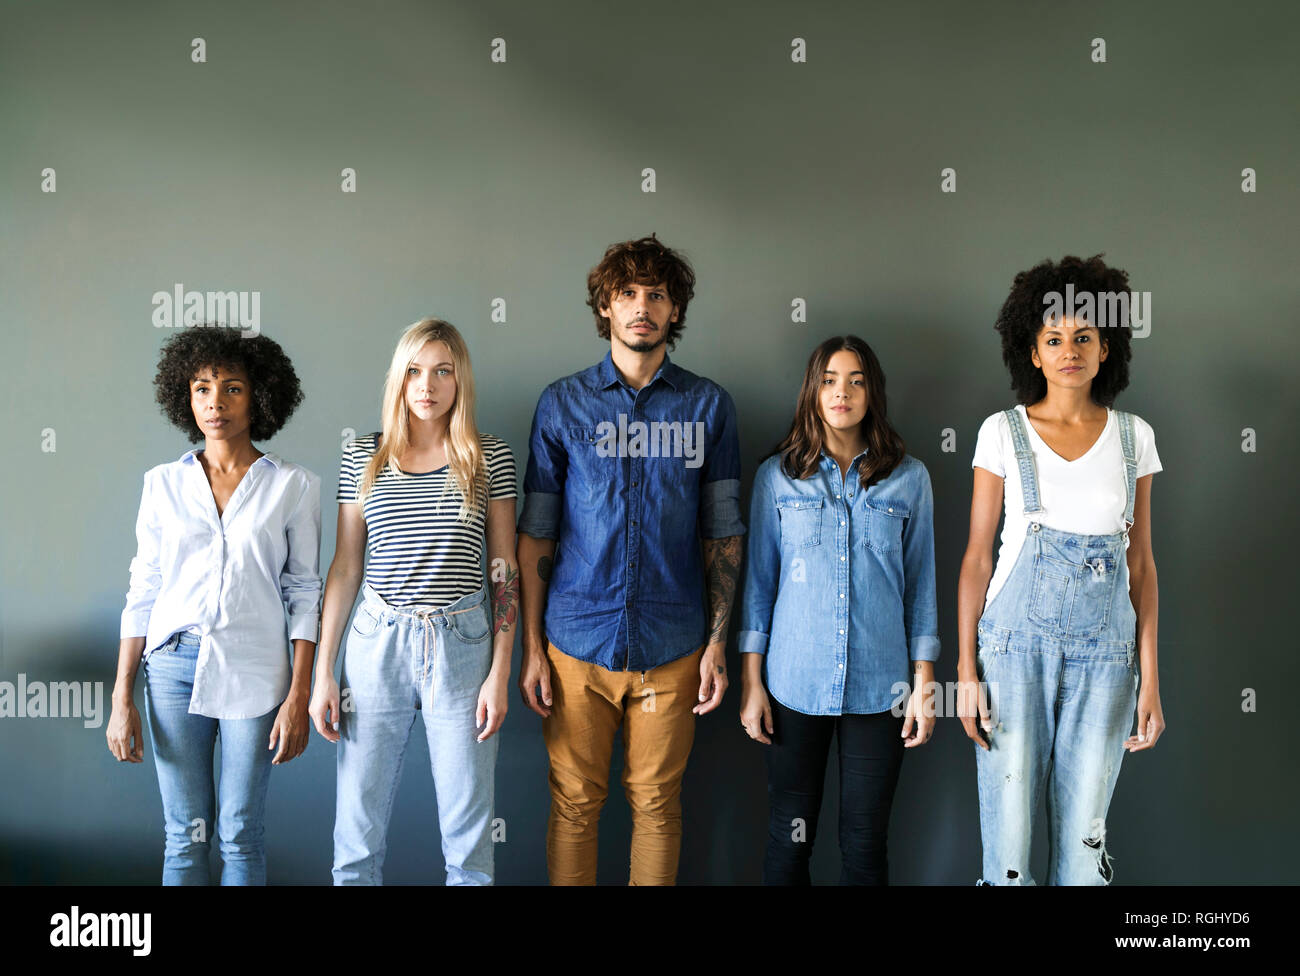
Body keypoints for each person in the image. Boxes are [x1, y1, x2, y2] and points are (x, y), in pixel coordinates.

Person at [516, 234, 745, 885]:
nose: (642, 306)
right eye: (628, 294)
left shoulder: (709, 408)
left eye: (657, 294)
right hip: (574, 641)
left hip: (672, 642)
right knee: (574, 805)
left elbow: (722, 535)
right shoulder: (562, 405)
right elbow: (537, 533)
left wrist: (716, 645)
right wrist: (533, 648)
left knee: (656, 806)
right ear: (606, 308)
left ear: (675, 310)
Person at [957, 254, 1165, 885]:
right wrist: (966, 671)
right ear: (1034, 351)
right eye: (1054, 339)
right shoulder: (1002, 433)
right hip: (1013, 652)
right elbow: (976, 556)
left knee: (1083, 849)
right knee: (1010, 845)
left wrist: (1149, 680)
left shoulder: (1135, 439)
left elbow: (1142, 565)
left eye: (1084, 337)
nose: (1069, 350)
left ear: (1107, 350)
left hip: (1107, 660)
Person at [107, 326, 322, 885]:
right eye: (202, 388)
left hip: (256, 668)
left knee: (240, 834)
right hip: (173, 667)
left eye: (231, 387)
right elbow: (143, 590)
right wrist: (121, 694)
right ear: (186, 398)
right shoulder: (162, 484)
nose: (215, 402)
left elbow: (304, 593)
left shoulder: (293, 486)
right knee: (184, 837)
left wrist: (300, 693)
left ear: (260, 396)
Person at [310, 318, 517, 885]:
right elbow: (346, 567)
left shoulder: (490, 457)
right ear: (399, 381)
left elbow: (503, 571)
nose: (427, 385)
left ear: (460, 380)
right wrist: (323, 673)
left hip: (464, 646)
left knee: (469, 843)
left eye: (443, 371)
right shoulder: (363, 456)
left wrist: (501, 671)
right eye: (415, 371)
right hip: (376, 643)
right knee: (356, 837)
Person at [737, 336, 940, 884]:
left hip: (883, 689)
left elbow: (921, 587)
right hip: (792, 684)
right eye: (828, 379)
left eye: (855, 380)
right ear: (812, 390)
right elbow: (758, 585)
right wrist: (751, 682)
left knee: (866, 842)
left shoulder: (910, 478)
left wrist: (925, 682)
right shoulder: (777, 477)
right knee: (789, 834)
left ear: (872, 391)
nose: (841, 392)